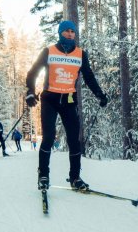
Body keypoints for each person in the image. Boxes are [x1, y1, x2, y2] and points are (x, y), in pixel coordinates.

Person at [25, 19, 108, 190]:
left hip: (69, 101)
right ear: (60, 33)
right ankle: (43, 175)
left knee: (74, 140)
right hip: (50, 99)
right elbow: (32, 73)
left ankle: (75, 178)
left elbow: (89, 76)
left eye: (73, 32)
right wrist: (30, 91)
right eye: (67, 31)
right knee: (48, 138)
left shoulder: (80, 54)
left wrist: (99, 94)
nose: (70, 34)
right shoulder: (49, 51)